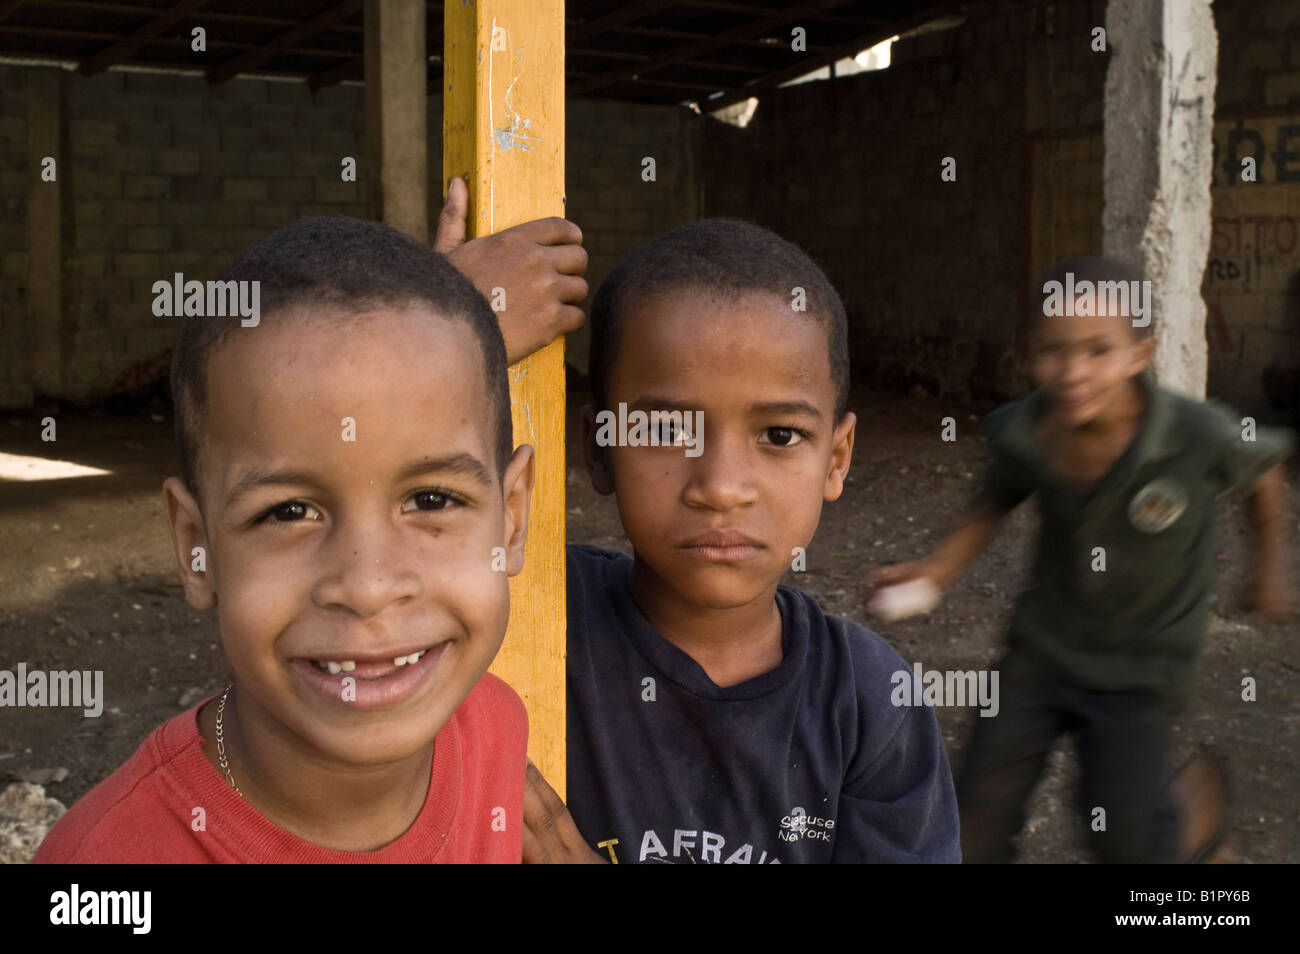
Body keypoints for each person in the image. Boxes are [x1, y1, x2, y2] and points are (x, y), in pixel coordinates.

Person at [35, 210, 569, 862]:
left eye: (432, 499)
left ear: (512, 518)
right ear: (195, 549)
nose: (368, 586)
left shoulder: (489, 728)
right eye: (288, 512)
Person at [522, 219, 961, 864]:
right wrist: (457, 317)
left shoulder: (870, 705)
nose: (722, 487)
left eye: (779, 435)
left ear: (836, 459)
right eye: (668, 430)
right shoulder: (535, 618)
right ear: (599, 446)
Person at [868, 255, 1295, 863]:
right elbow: (996, 498)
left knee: (1122, 841)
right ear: (1029, 353)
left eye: (1098, 350)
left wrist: (1265, 574)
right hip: (1042, 651)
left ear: (1139, 355)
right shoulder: (1027, 430)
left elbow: (1267, 467)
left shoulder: (1196, 434)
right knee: (972, 818)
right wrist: (934, 572)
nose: (1072, 372)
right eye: (1053, 350)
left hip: (1142, 669)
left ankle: (1195, 823)